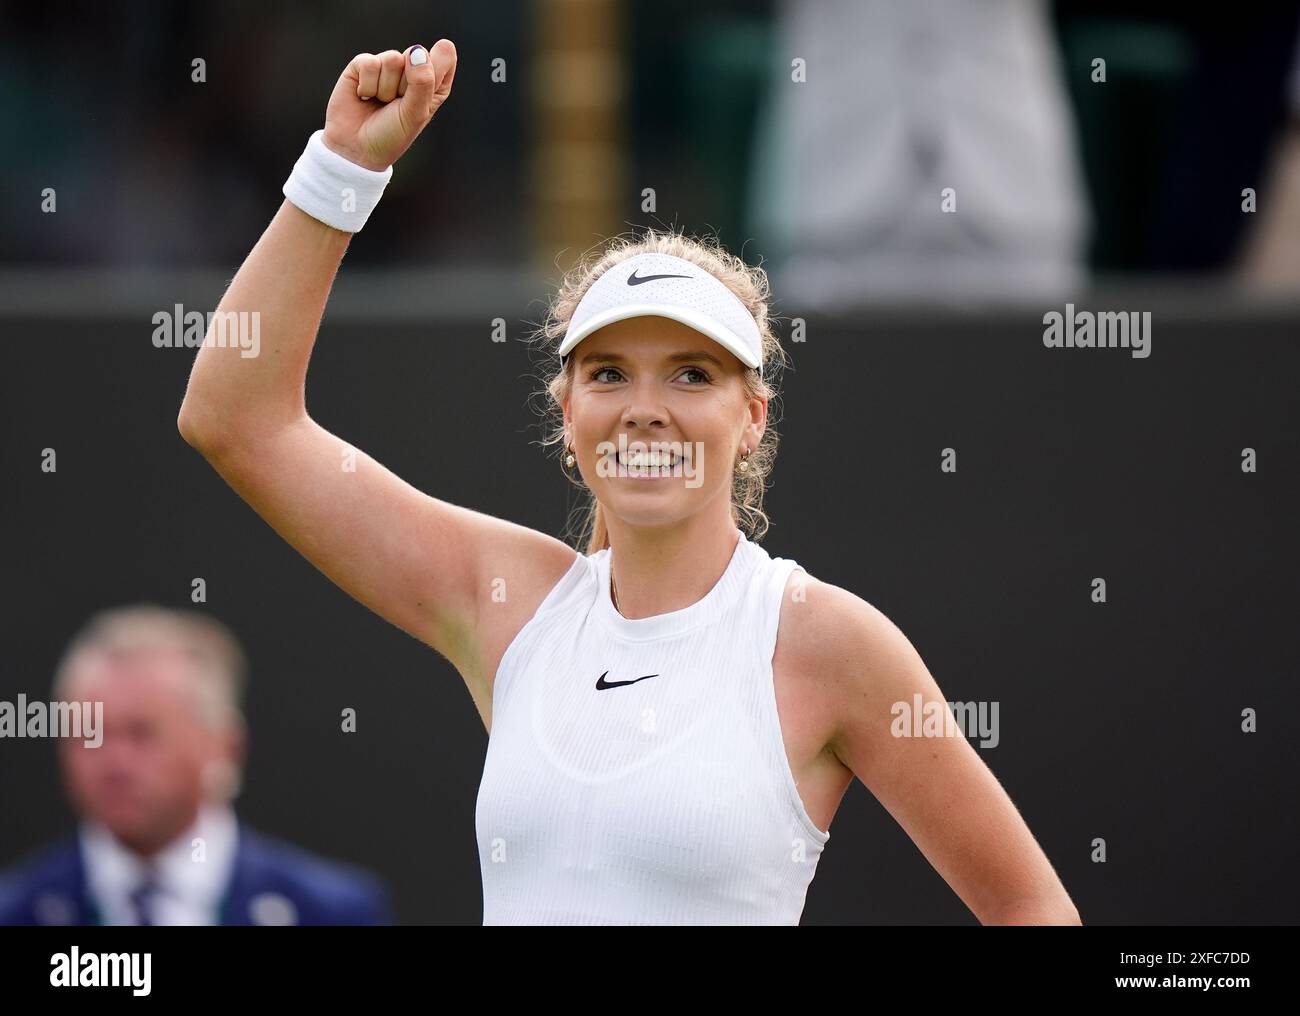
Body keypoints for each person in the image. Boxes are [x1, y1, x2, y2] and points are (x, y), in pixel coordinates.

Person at [176, 40, 1081, 925]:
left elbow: (1028, 907)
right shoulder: (509, 604)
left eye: (692, 374)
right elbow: (236, 419)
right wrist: (342, 169)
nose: (646, 408)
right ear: (566, 413)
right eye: (609, 374)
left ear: (752, 416)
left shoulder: (826, 641)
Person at [0, 605, 391, 926]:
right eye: (90, 733)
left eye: (142, 734)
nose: (114, 761)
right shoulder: (18, 911)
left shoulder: (329, 913)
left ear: (222, 746)